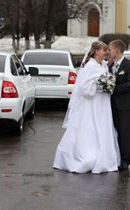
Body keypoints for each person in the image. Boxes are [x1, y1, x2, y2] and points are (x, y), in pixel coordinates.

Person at [53, 41, 120, 174]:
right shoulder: (89, 66)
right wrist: (100, 87)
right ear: (96, 51)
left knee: (103, 126)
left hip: (103, 103)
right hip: (92, 103)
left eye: (107, 50)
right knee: (89, 128)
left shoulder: (104, 65)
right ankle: (87, 156)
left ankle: (104, 156)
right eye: (103, 50)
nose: (106, 52)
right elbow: (83, 88)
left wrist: (108, 87)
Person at [108, 39, 130, 171]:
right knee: (113, 132)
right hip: (110, 105)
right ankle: (115, 158)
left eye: (110, 49)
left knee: (125, 134)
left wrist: (112, 88)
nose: (109, 52)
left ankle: (125, 160)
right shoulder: (108, 65)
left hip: (125, 106)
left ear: (117, 50)